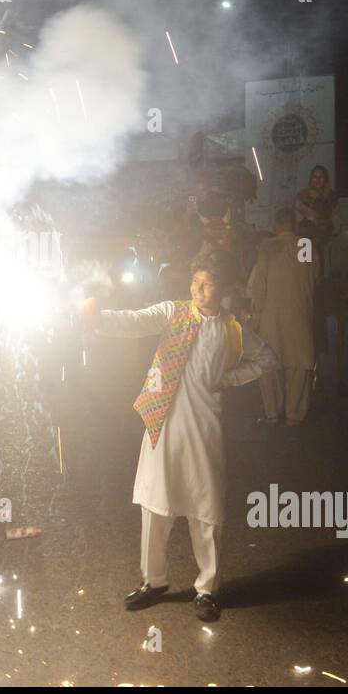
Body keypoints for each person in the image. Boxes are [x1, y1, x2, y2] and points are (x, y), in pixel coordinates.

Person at [80, 250, 277, 622]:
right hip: (163, 424)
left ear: (224, 288)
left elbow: (266, 357)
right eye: (195, 282)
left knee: (206, 509)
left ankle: (207, 589)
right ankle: (154, 581)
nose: (199, 290)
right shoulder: (173, 312)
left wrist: (229, 379)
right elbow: (134, 321)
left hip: (204, 428)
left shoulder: (232, 328)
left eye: (208, 284)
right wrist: (96, 318)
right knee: (155, 505)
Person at [247, 208, 317, 427]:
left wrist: (256, 314)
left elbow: (260, 285)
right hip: (300, 314)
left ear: (277, 225)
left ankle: (272, 413)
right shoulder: (305, 245)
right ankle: (293, 415)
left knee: (269, 365)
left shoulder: (268, 246)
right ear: (294, 224)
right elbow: (313, 276)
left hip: (271, 316)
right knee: (299, 364)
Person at [294, 165, 339, 276]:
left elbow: (335, 216)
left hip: (326, 236)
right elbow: (297, 218)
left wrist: (333, 231)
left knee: (323, 269)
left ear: (325, 179)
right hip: (306, 236)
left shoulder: (331, 196)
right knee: (305, 270)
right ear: (311, 179)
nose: (317, 180)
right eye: (315, 177)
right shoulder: (303, 195)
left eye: (321, 177)